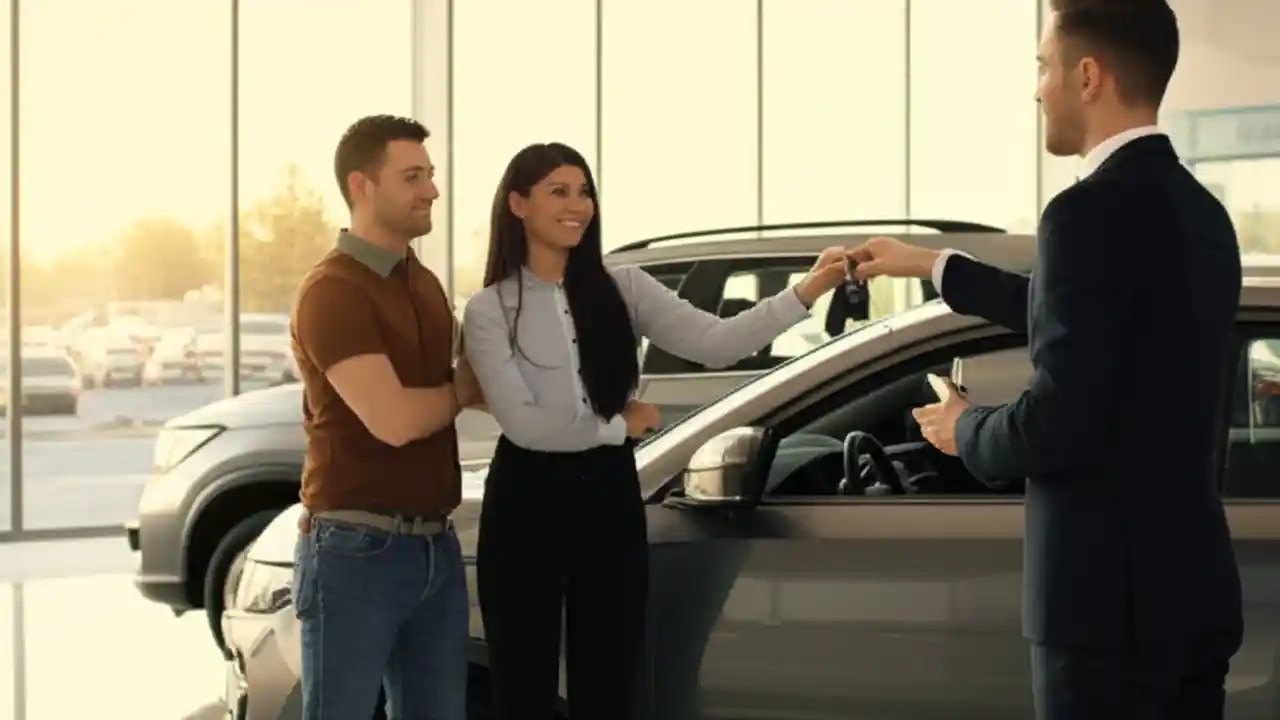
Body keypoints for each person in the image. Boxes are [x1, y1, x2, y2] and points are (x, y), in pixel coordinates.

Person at [849, 2, 1243, 718]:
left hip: (1102, 616)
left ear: (1086, 75)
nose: (1037, 89)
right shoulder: (1200, 212)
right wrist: (936, 266)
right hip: (1192, 595)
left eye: (1042, 66)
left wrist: (964, 428)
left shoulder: (1085, 213)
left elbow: (1055, 424)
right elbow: (1086, 312)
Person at [460, 141, 850, 719]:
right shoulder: (489, 310)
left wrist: (807, 291)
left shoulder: (626, 288)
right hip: (525, 503)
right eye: (558, 192)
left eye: (584, 191)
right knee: (523, 686)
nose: (578, 205)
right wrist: (619, 426)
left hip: (608, 498)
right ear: (517, 204)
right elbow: (525, 425)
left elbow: (717, 343)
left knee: (612, 680)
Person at [289, 114, 483, 720]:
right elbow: (394, 420)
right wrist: (463, 388)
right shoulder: (333, 291)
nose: (431, 190)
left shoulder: (422, 282)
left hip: (435, 547)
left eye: (429, 175)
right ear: (360, 186)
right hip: (355, 554)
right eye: (412, 176)